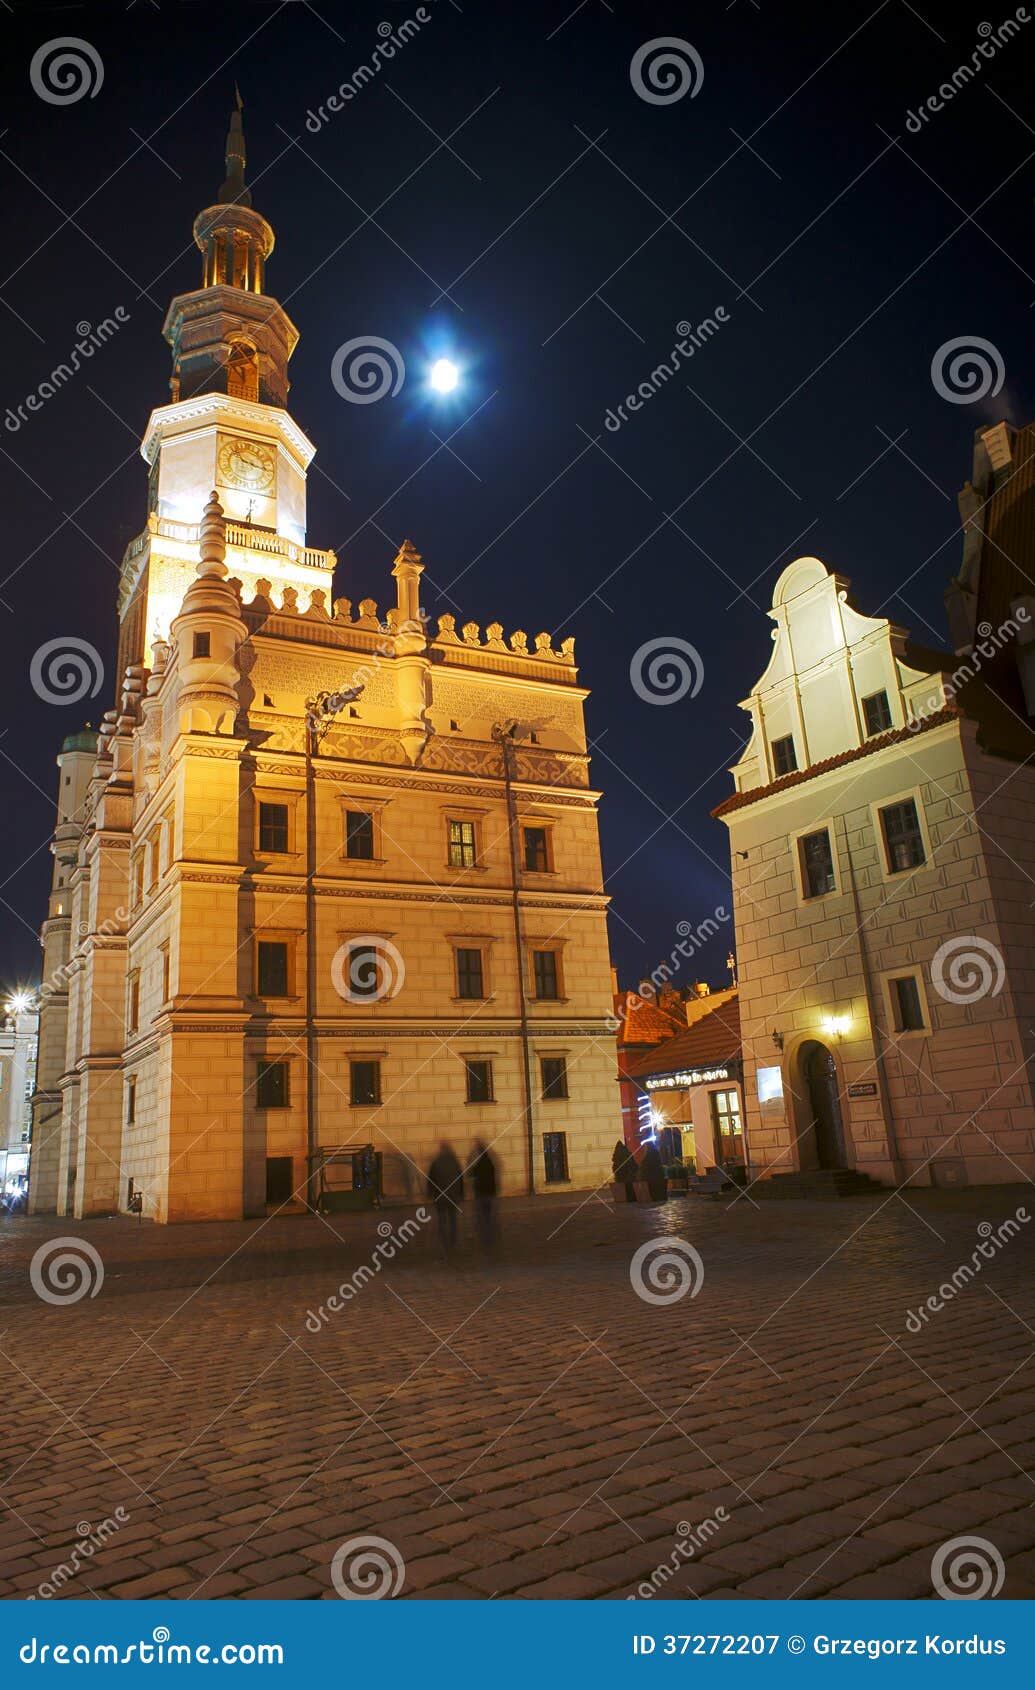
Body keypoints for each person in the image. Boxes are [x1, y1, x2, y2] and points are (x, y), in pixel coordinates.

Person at [426, 1141, 464, 1259]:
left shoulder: (436, 1162)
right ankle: (453, 1243)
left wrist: (430, 1193)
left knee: (442, 1221)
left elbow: (430, 1180)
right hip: (452, 1197)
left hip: (441, 1197)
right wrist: (461, 1193)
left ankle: (444, 1244)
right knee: (453, 1220)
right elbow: (461, 1179)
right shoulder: (455, 1162)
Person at [467, 1139, 498, 1254]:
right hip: (489, 1192)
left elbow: (471, 1173)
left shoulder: (479, 1163)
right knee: (487, 1214)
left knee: (479, 1214)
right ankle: (489, 1234)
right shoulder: (490, 1162)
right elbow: (493, 1176)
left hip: (481, 1193)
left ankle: (482, 1234)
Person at [612, 1137, 638, 1203]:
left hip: (622, 1178)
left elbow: (615, 1169)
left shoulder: (617, 1159)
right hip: (629, 1178)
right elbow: (633, 1166)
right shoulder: (627, 1155)